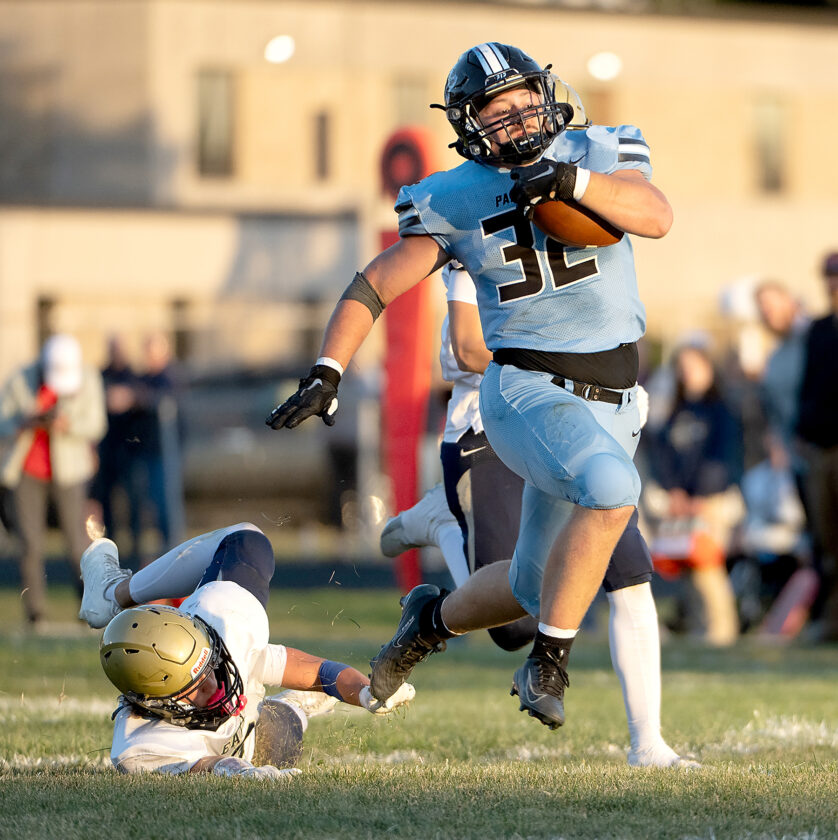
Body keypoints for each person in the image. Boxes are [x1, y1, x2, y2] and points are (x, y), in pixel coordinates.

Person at [268, 42, 672, 731]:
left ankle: (427, 620)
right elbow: (376, 282)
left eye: (524, 100)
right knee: (613, 491)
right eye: (498, 109)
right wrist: (329, 368)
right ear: (470, 124)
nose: (518, 117)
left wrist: (565, 181)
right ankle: (549, 662)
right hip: (527, 389)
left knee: (526, 585)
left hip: (618, 397)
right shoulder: (452, 195)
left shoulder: (600, 147)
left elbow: (655, 216)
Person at [380, 261, 695, 767]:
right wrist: (554, 373)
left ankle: (648, 742)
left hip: (586, 426)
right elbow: (465, 347)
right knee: (516, 624)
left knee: (630, 576)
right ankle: (441, 534)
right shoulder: (486, 222)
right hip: (497, 426)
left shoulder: (584, 222)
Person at [77, 522, 414, 776]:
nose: (215, 686)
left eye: (208, 668)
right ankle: (295, 705)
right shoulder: (140, 746)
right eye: (195, 690)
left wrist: (366, 692)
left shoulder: (222, 628)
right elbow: (206, 767)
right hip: (247, 738)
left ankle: (112, 592)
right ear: (155, 703)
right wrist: (237, 770)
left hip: (234, 694)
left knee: (248, 541)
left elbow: (318, 672)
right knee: (282, 738)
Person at [0, 334, 107, 627]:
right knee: (30, 544)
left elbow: (96, 423)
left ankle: (90, 610)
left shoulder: (88, 378)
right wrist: (26, 419)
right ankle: (36, 615)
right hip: (27, 471)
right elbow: (2, 421)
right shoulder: (22, 379)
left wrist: (67, 425)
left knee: (76, 542)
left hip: (69, 472)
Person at [643, 344, 743, 645]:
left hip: (712, 500)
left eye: (694, 366)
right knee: (688, 568)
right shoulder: (677, 411)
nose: (688, 373)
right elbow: (664, 456)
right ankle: (701, 627)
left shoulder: (723, 410)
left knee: (708, 564)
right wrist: (674, 492)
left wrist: (702, 495)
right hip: (681, 501)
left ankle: (722, 631)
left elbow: (724, 457)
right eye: (683, 367)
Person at [796, 251, 838, 640]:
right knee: (826, 538)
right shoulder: (820, 329)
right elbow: (808, 386)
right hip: (821, 447)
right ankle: (831, 618)